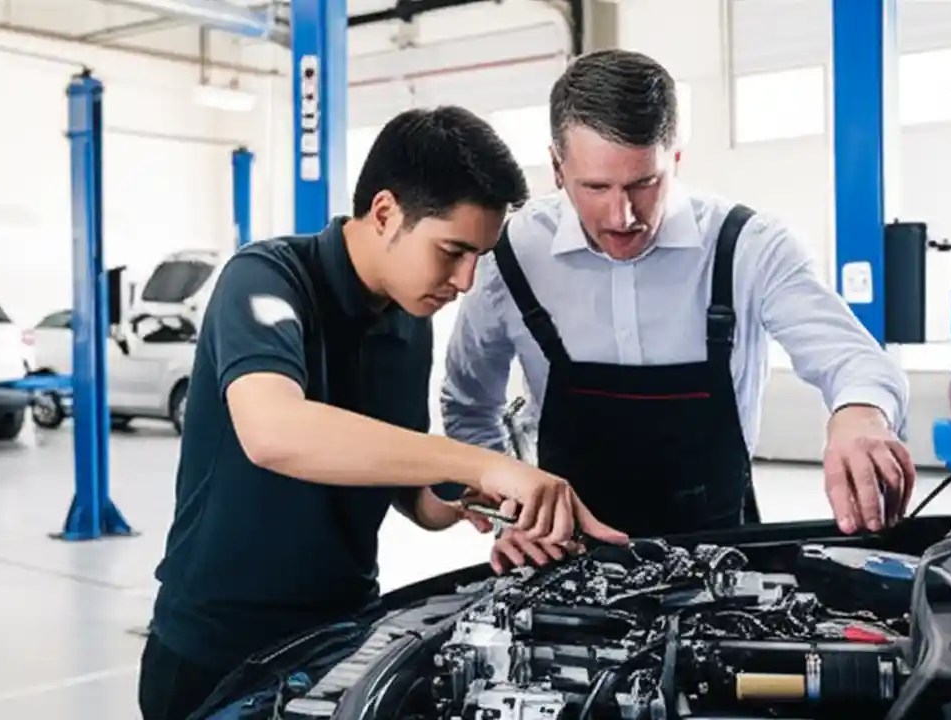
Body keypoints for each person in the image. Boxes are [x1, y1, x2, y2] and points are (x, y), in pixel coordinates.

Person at [139, 106, 627, 720]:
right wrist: (483, 462)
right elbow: (273, 431)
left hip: (338, 639)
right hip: (218, 653)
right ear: (386, 212)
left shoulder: (407, 321)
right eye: (452, 251)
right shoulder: (264, 280)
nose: (465, 281)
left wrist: (480, 502)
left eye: (478, 256)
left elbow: (412, 495)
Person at [439, 49, 917, 575]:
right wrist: (511, 512)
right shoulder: (509, 257)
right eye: (596, 187)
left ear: (677, 158)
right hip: (565, 562)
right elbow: (469, 405)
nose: (622, 215)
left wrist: (860, 415)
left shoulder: (748, 247)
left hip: (723, 561)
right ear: (557, 166)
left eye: (644, 183)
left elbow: (857, 361)